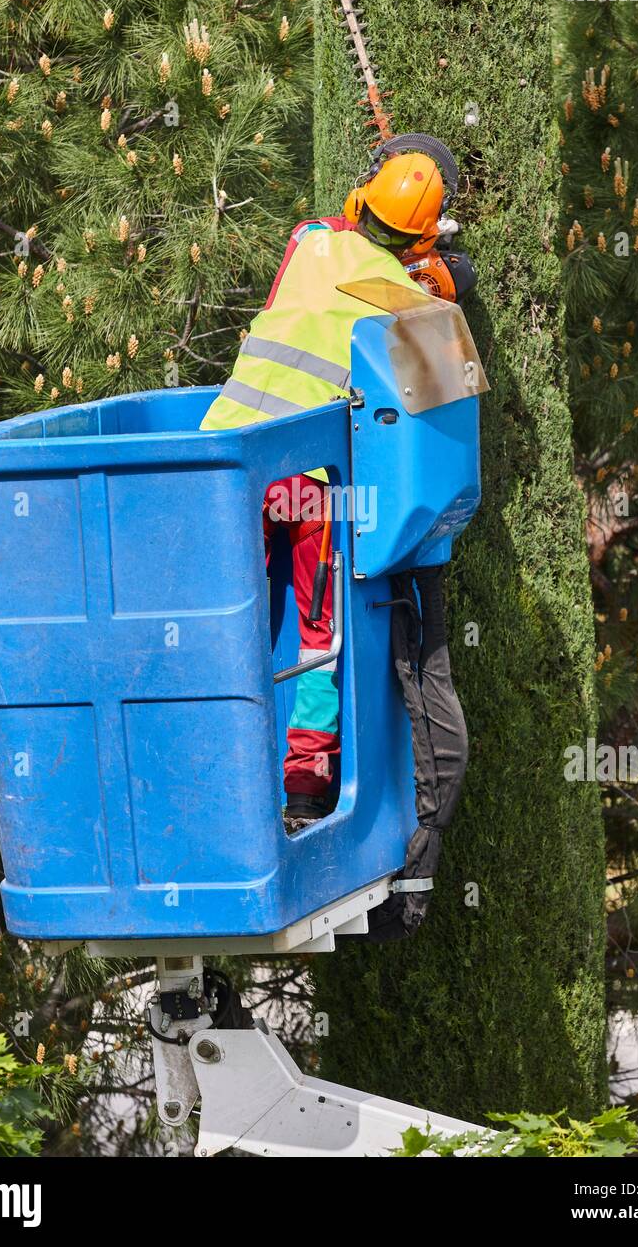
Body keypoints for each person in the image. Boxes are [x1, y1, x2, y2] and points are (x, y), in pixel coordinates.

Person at [200, 151, 448, 831]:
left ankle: (210, 775)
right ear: (424, 239)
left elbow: (324, 249)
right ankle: (306, 795)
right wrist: (435, 281)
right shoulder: (408, 299)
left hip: (228, 464)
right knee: (319, 638)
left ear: (361, 202)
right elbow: (428, 372)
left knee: (220, 620)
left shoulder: (310, 240)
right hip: (312, 490)